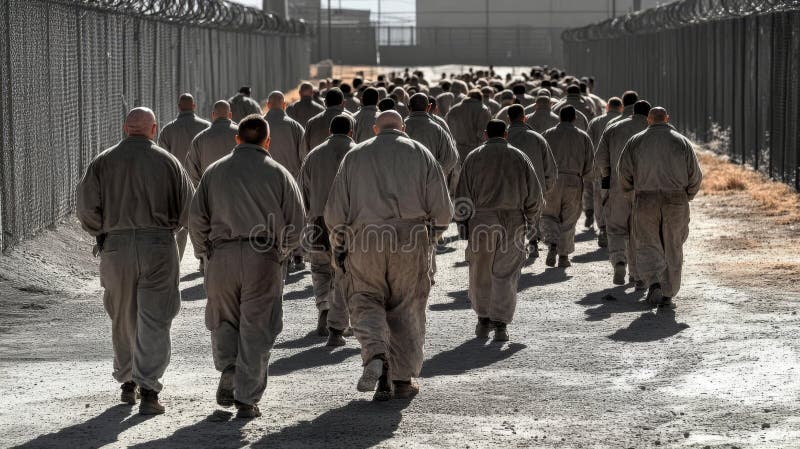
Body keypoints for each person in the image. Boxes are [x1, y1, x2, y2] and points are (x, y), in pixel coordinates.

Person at [324, 111, 453, 401]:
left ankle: (376, 356)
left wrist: (341, 246)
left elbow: (334, 212)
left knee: (365, 300)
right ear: (403, 128)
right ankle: (402, 380)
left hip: (364, 238)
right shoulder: (422, 154)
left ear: (374, 128)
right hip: (410, 238)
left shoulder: (354, 156)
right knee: (407, 308)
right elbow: (443, 210)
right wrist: (430, 237)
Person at [77, 107, 194, 415]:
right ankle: (149, 390)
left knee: (123, 315)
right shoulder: (169, 162)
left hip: (116, 248)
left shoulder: (103, 161)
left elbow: (86, 208)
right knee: (155, 317)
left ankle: (127, 381)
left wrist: (103, 230)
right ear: (153, 129)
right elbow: (188, 211)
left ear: (125, 128)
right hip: (158, 244)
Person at [188, 115, 305, 419]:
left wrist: (204, 252)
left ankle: (229, 366)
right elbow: (297, 221)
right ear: (268, 141)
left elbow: (197, 218)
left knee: (224, 318)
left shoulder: (214, 172)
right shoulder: (279, 174)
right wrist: (282, 251)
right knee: (257, 326)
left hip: (222, 255)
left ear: (237, 139)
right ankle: (246, 398)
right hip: (262, 256)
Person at [456, 120, 543, 341]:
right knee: (506, 273)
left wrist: (463, 224)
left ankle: (483, 319)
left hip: (482, 220)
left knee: (480, 270)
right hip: (513, 219)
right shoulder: (519, 157)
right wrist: (531, 222)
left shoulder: (474, 157)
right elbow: (535, 195)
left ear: (485, 135)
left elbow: (462, 194)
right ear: (506, 134)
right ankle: (501, 324)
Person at [618, 107, 702, 308]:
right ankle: (668, 294)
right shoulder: (681, 141)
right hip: (676, 199)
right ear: (667, 119)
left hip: (646, 198)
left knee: (647, 242)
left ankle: (653, 281)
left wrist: (630, 193)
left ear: (648, 120)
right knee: (673, 245)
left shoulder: (636, 141)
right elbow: (695, 175)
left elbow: (624, 172)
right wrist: (687, 195)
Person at [298, 116, 356, 345]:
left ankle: (324, 305)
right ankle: (340, 321)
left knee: (321, 269)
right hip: (349, 223)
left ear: (330, 130)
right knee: (346, 271)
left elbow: (302, 188)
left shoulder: (314, 155)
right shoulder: (358, 153)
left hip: (320, 220)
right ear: (351, 131)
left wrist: (309, 216)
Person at [595, 100, 651, 286]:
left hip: (617, 185)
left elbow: (600, 157)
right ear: (648, 114)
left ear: (632, 112)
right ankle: (637, 274)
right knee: (639, 232)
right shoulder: (653, 130)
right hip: (645, 188)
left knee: (617, 229)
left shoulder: (613, 127)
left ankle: (619, 260)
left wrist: (607, 179)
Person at [157, 93, 210, 259]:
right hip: (201, 183)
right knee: (204, 223)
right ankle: (204, 258)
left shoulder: (167, 130)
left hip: (177, 185)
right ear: (194, 106)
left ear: (178, 107)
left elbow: (162, 159)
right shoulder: (206, 128)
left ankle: (176, 263)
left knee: (179, 226)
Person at [541, 106, 594, 267]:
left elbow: (541, 158)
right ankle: (563, 256)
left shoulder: (547, 135)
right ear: (574, 119)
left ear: (559, 117)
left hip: (552, 180)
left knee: (549, 215)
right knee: (569, 218)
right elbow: (589, 163)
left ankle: (552, 245)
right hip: (573, 179)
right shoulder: (583, 136)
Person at [506, 105, 556, 259]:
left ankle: (516, 247)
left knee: (512, 216)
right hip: (535, 185)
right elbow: (550, 167)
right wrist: (546, 188)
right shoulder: (537, 137)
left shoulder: (504, 137)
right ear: (524, 117)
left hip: (509, 186)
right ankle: (533, 241)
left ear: (509, 118)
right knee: (533, 215)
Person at [586, 97, 624, 248]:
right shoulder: (625, 122)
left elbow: (588, 145)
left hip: (603, 172)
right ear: (621, 107)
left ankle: (603, 229)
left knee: (601, 197)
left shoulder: (595, 122)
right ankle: (620, 229)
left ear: (607, 107)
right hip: (621, 171)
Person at [185, 101, 238, 186]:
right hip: (236, 190)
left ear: (213, 114)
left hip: (210, 191)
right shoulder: (241, 134)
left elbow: (191, 168)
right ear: (230, 115)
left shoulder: (199, 138)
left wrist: (202, 189)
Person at [301, 88, 353, 159]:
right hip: (345, 166)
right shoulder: (351, 120)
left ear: (325, 102)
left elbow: (304, 151)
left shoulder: (312, 122)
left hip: (318, 165)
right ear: (343, 103)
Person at [264, 91, 305, 180]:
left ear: (268, 105)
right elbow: (304, 154)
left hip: (264, 178)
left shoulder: (257, 124)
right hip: (291, 178)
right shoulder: (295, 126)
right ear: (284, 105)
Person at [446, 89, 492, 162]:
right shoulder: (483, 109)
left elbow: (447, 131)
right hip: (475, 152)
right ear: (480, 98)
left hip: (455, 151)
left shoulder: (454, 109)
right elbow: (483, 134)